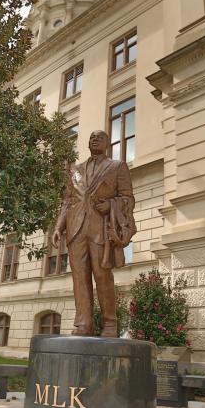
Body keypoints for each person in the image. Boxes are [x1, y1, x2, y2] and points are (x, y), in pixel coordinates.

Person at [52, 130, 135, 337]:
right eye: (91, 137)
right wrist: (58, 227)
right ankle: (83, 323)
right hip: (76, 229)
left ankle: (109, 323)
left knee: (102, 275)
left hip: (101, 229)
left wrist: (111, 205)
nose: (95, 139)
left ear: (107, 143)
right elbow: (67, 201)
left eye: (100, 137)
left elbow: (128, 198)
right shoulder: (75, 171)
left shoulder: (117, 167)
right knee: (79, 277)